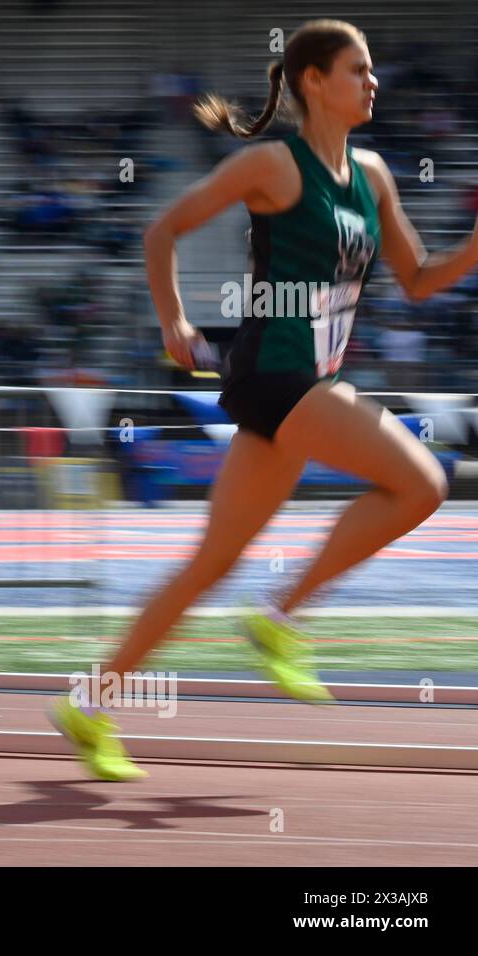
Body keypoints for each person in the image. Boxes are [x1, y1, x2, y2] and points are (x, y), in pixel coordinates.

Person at [52, 19, 478, 780]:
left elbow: (418, 280)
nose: (374, 82)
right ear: (314, 80)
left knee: (210, 564)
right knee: (421, 482)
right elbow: (163, 231)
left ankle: (89, 703)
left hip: (308, 384)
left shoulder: (373, 174)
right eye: (358, 69)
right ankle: (279, 616)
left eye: (372, 70)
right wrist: (175, 321)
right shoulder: (272, 165)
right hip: (276, 375)